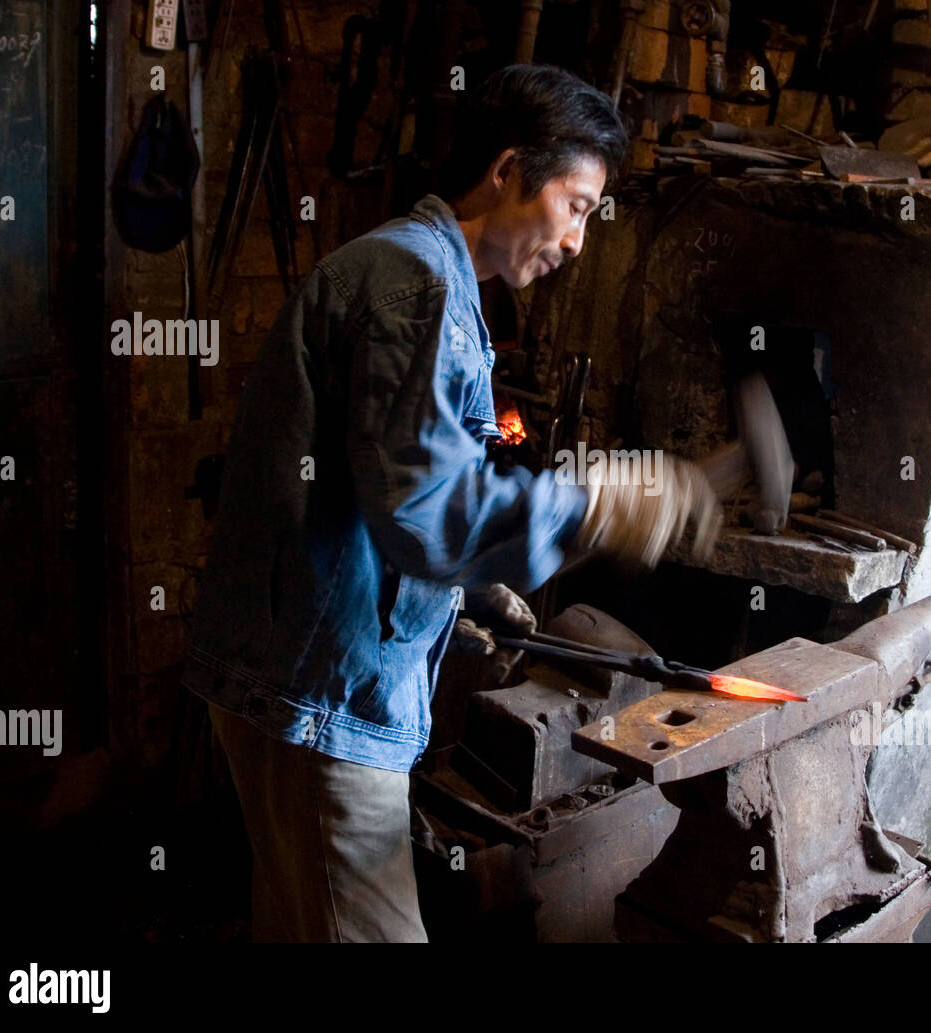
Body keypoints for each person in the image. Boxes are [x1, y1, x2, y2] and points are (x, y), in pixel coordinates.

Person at [181, 64, 719, 942]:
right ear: (508, 171)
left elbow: (378, 482)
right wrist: (591, 506)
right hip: (327, 695)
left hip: (292, 676)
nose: (579, 241)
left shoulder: (419, 276)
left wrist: (462, 597)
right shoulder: (416, 286)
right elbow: (426, 514)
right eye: (577, 206)